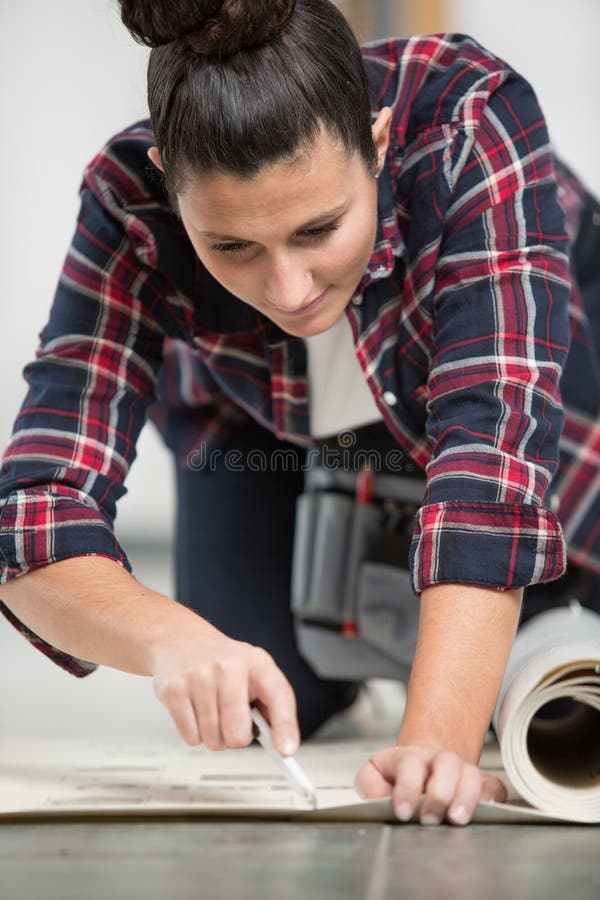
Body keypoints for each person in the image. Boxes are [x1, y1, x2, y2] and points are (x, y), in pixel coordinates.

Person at [0, 0, 599, 827]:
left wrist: (436, 744)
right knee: (269, 693)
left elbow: (487, 468)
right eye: (232, 246)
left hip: (535, 398)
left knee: (545, 637)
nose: (288, 291)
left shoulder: (470, 116)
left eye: (319, 228)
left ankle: (518, 620)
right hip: (267, 424)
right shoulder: (127, 199)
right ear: (170, 182)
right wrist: (169, 636)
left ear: (378, 144)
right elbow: (33, 514)